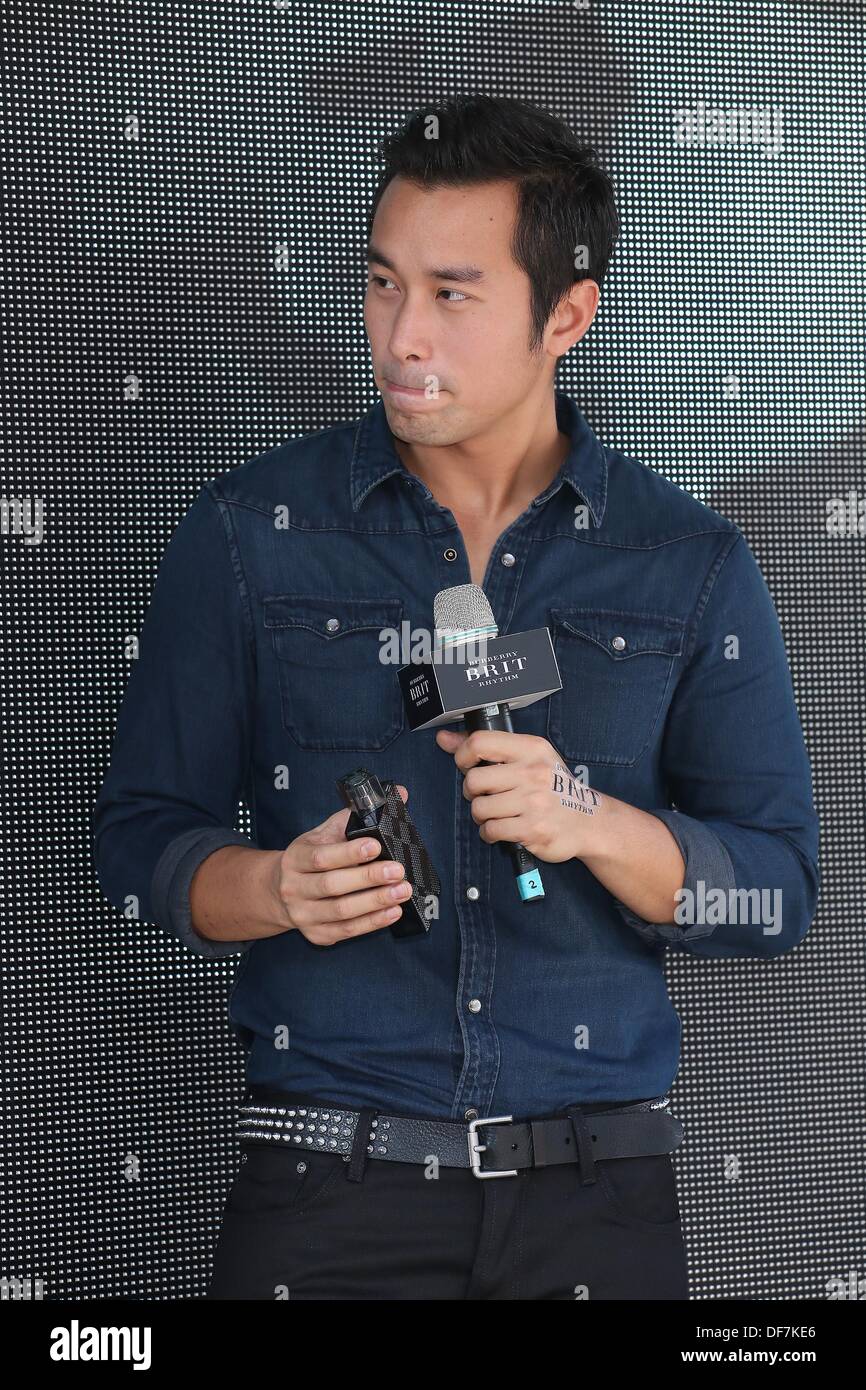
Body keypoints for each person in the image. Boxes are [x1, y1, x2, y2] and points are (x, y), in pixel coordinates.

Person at [91, 95, 820, 1300]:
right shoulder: (249, 534)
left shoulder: (687, 563)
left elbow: (774, 895)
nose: (399, 336)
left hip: (598, 1207)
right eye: (382, 285)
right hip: (329, 1197)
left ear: (566, 315)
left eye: (451, 294)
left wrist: (589, 819)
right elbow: (136, 845)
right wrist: (271, 887)